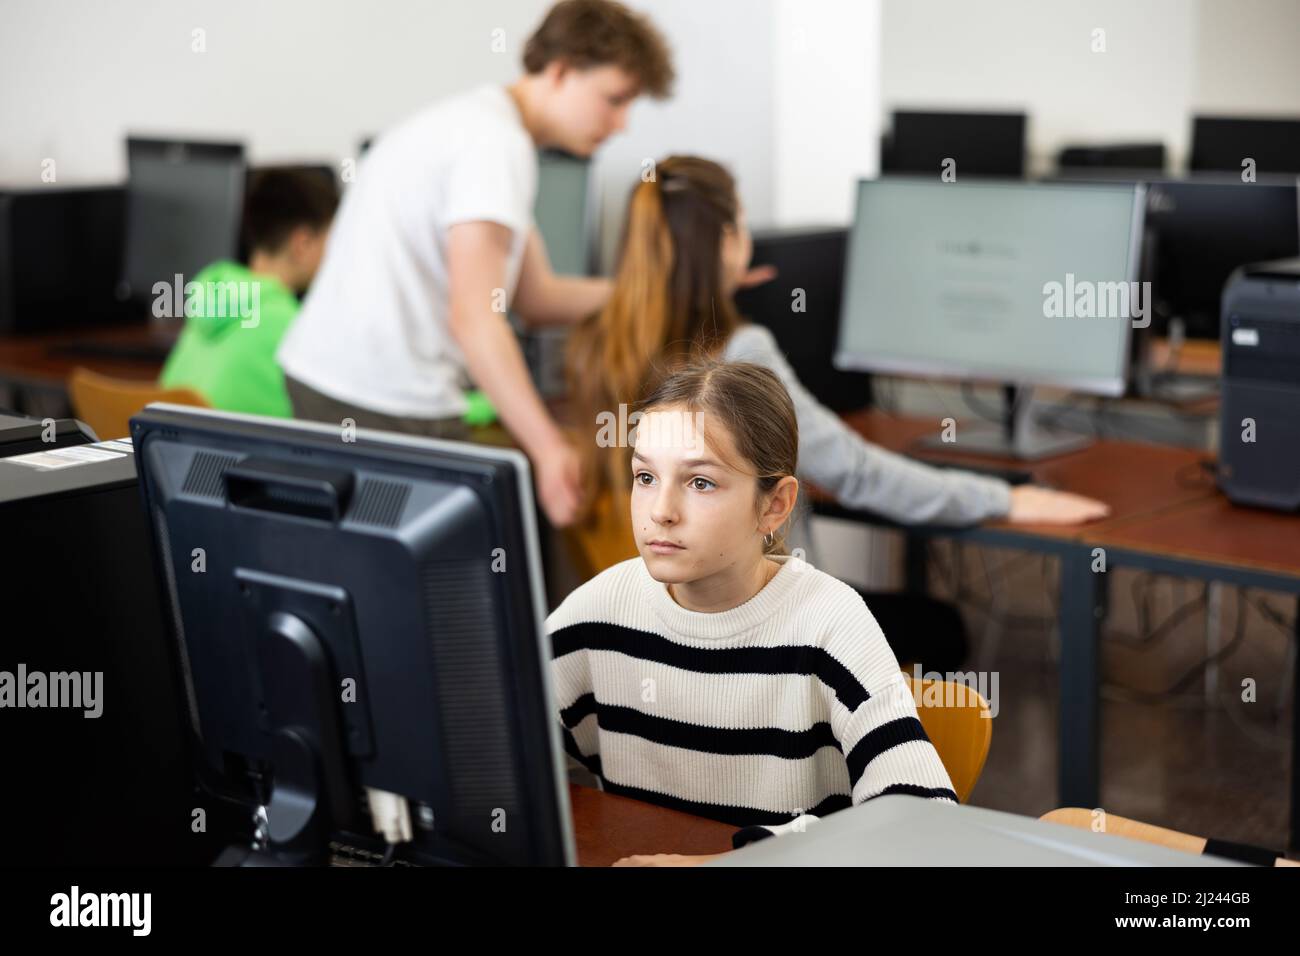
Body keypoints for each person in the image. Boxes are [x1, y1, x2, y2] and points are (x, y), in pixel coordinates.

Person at [563, 155, 1110, 668]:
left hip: (656, 632)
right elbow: (855, 472)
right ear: (728, 242)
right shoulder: (742, 352)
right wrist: (1004, 496)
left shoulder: (592, 349)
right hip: (766, 630)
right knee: (941, 628)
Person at [275, 0, 674, 528]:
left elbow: (536, 298)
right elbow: (475, 316)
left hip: (327, 379)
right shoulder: (496, 145)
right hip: (378, 396)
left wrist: (660, 291)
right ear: (561, 71)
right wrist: (549, 450)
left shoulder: (479, 126)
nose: (622, 124)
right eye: (615, 99)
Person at [547, 361, 958, 866]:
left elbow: (926, 823)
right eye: (646, 476)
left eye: (700, 482)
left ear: (774, 506)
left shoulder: (829, 622)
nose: (660, 510)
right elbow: (483, 747)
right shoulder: (601, 609)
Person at [159, 168, 337, 417]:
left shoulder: (213, 298)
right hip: (243, 453)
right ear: (303, 243)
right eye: (332, 240)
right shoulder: (290, 325)